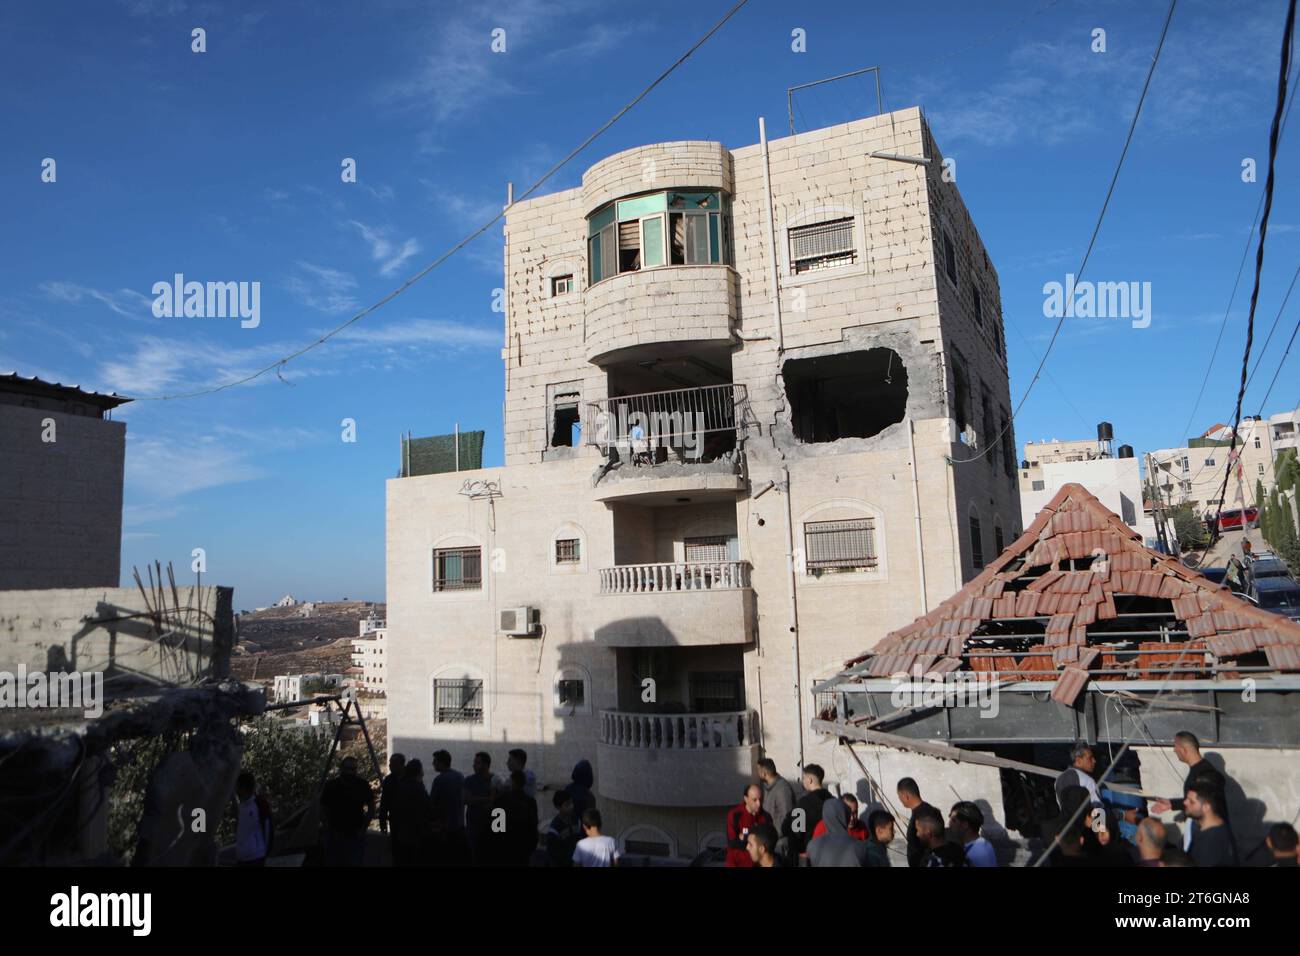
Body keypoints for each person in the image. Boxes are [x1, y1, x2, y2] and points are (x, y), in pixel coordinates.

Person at [1151, 731, 1229, 848]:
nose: (1174, 750)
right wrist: (1171, 804)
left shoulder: (1206, 775)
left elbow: (1204, 802)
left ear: (1184, 750)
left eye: (1176, 746)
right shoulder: (1198, 771)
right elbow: (1197, 800)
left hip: (1208, 838)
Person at [319, 757, 374, 866]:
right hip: (335, 835)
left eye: (353, 769)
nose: (349, 772)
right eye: (347, 769)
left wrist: (363, 828)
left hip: (355, 834)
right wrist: (328, 828)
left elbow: (372, 807)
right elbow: (322, 808)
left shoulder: (362, 785)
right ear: (341, 769)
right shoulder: (331, 786)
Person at [783, 764, 832, 863]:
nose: (803, 781)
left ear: (809, 780)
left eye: (803, 778)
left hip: (807, 855)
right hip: (830, 853)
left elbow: (796, 832)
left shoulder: (803, 803)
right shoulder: (833, 802)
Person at [491, 769, 539, 867]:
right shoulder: (531, 802)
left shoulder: (500, 801)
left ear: (512, 782)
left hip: (505, 848)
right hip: (524, 848)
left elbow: (496, 829)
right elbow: (534, 826)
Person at [390, 759, 432, 867]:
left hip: (401, 833)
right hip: (415, 834)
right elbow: (427, 807)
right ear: (418, 772)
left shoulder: (401, 786)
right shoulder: (417, 788)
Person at [1184, 783, 1238, 867]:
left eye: (1191, 801)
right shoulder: (1206, 829)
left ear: (1206, 807)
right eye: (1186, 799)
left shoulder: (1212, 840)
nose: (1185, 803)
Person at [430, 750, 467, 866]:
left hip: (444, 828)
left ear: (441, 763)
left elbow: (433, 804)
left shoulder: (439, 780)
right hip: (460, 825)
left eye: (435, 761)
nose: (433, 763)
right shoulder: (460, 776)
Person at [807, 797, 869, 867]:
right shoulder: (821, 828)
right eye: (848, 813)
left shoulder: (861, 827)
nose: (851, 818)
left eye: (855, 812)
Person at [725, 784, 773, 867]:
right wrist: (753, 841)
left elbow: (769, 841)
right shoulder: (734, 814)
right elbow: (732, 842)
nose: (759, 803)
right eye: (754, 800)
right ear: (746, 799)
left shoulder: (766, 816)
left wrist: (744, 837)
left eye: (760, 799)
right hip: (736, 863)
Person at [897, 777, 938, 868]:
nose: (899, 800)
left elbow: (932, 843)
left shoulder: (924, 814)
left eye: (899, 796)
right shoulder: (920, 811)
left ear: (906, 796)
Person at [234, 771, 272, 867]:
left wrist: (265, 853)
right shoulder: (240, 807)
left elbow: (268, 829)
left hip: (256, 857)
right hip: (241, 858)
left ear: (243, 787)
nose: (236, 790)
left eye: (237, 787)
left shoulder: (260, 804)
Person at [464, 751, 495, 865]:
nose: (474, 765)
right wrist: (488, 799)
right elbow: (466, 800)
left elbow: (498, 804)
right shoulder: (469, 780)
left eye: (477, 763)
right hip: (473, 829)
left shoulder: (495, 780)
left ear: (486, 765)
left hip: (490, 829)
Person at [1055, 741, 1103, 809]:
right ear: (1078, 760)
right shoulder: (1088, 781)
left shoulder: (1058, 780)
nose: (1094, 761)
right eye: (1090, 758)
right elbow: (1098, 812)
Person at [949, 801, 997, 867]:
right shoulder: (982, 844)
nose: (949, 824)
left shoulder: (976, 853)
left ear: (965, 825)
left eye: (953, 820)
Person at [756, 758, 795, 836]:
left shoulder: (782, 789)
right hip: (769, 834)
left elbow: (786, 816)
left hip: (778, 838)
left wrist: (775, 835)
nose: (757, 773)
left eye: (758, 770)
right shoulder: (767, 786)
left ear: (764, 773)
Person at [545, 790, 582, 867]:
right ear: (558, 807)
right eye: (567, 804)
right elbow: (553, 856)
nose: (571, 806)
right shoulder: (554, 829)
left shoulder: (576, 820)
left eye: (571, 802)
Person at [378, 753, 405, 835]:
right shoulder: (388, 780)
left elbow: (384, 803)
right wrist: (383, 824)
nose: (389, 765)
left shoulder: (409, 778)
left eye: (392, 763)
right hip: (396, 820)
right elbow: (384, 802)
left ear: (400, 764)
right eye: (390, 763)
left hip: (406, 820)